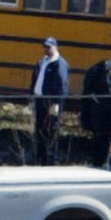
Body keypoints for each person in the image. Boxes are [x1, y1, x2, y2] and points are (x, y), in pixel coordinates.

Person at [30, 37, 70, 165]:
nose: (46, 49)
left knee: (51, 132)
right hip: (39, 100)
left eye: (49, 47)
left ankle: (50, 161)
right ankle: (39, 158)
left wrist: (56, 103)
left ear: (55, 47)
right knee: (40, 129)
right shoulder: (43, 62)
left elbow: (62, 86)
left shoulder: (59, 64)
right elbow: (35, 79)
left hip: (51, 103)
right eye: (45, 47)